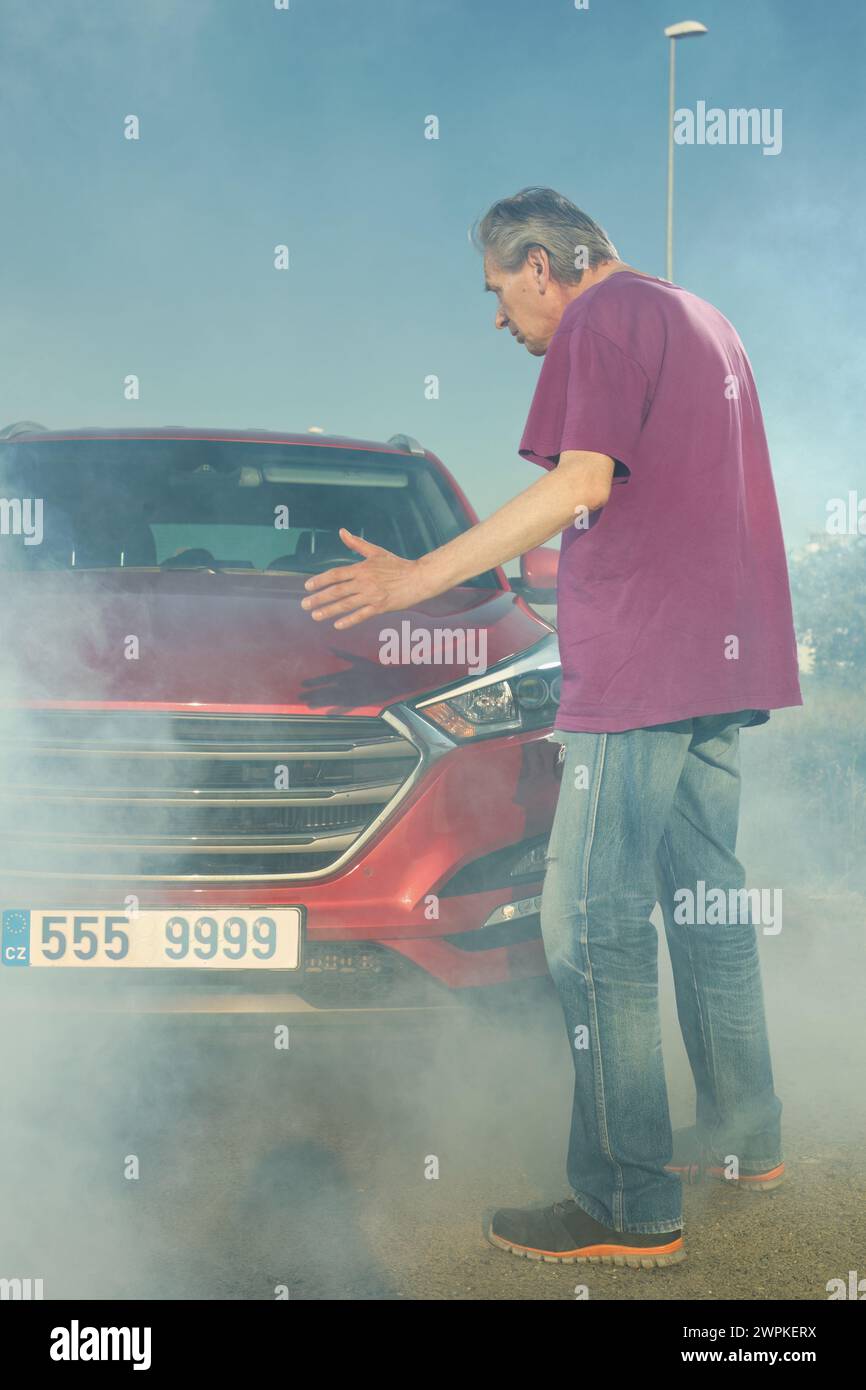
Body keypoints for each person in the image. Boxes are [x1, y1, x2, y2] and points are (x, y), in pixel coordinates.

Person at [300, 186, 802, 1267]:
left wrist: (417, 580)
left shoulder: (601, 319)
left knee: (587, 924)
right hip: (722, 655)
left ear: (540, 265)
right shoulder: (700, 316)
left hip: (646, 661)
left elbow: (581, 482)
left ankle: (625, 1203)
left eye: (497, 292)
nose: (498, 320)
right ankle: (741, 1138)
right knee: (703, 900)